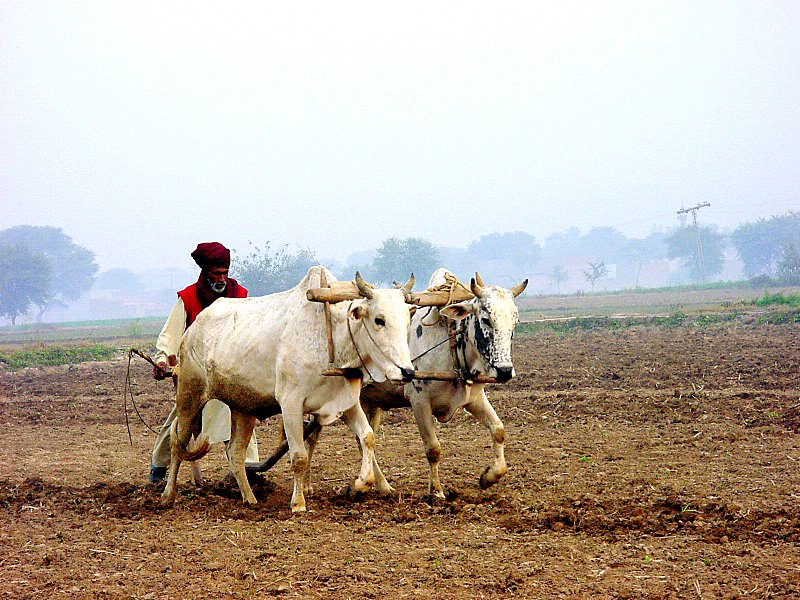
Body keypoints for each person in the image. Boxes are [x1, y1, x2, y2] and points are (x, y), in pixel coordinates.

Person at [148, 242, 259, 483]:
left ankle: (249, 468)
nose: (221, 278)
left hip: (231, 373)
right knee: (181, 420)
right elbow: (170, 336)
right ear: (206, 272)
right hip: (197, 372)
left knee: (242, 417)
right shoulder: (188, 298)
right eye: (216, 273)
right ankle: (159, 467)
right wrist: (162, 360)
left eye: (224, 273)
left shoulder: (241, 296)